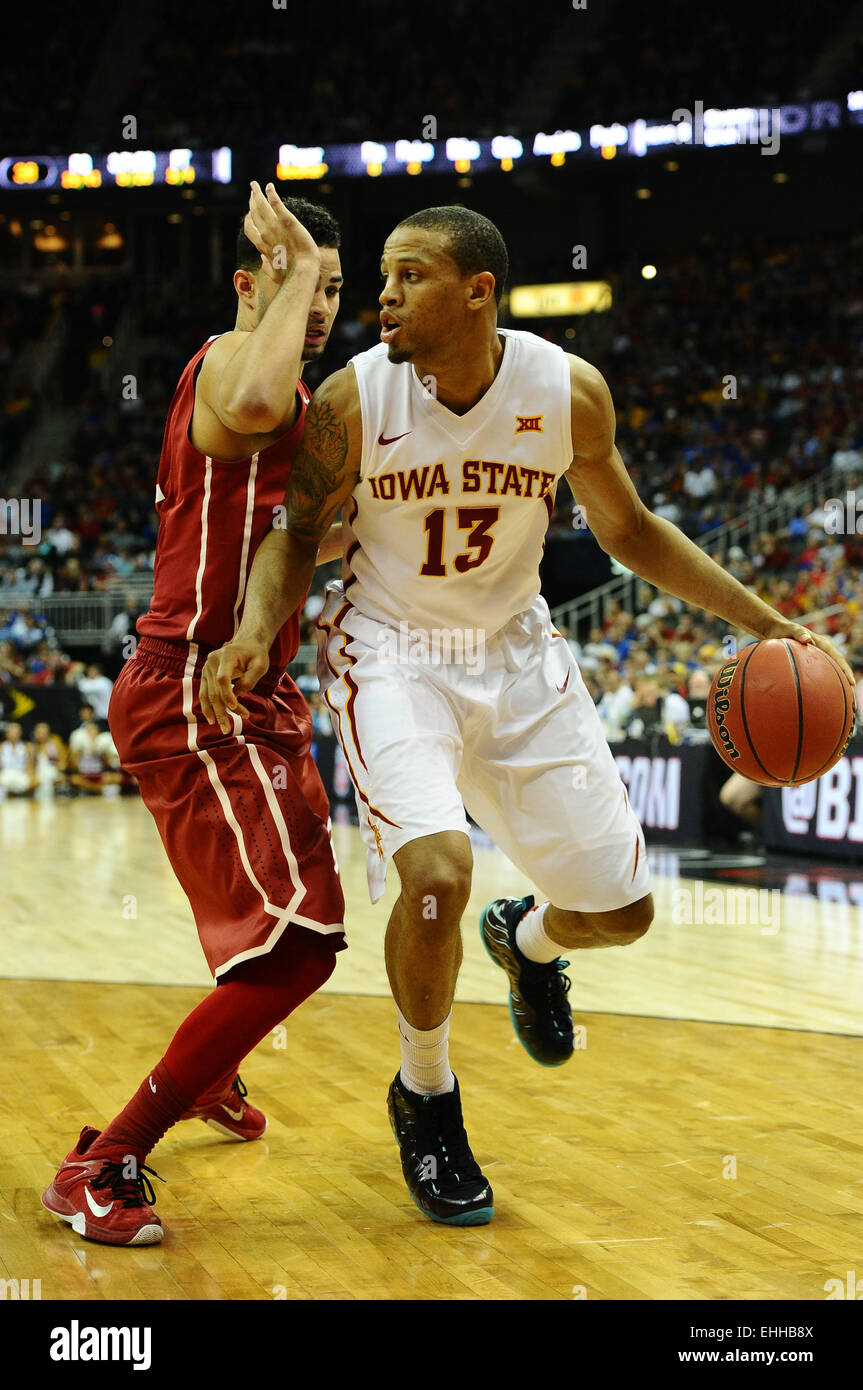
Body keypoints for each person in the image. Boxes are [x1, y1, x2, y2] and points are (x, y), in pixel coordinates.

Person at [200, 205, 855, 1228]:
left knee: (624, 913)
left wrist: (766, 620)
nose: (382, 296)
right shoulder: (351, 397)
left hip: (517, 657)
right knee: (435, 876)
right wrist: (252, 629)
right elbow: (294, 534)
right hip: (392, 654)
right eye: (382, 276)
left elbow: (630, 529)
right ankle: (425, 1092)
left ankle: (531, 942)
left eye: (409, 276)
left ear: (478, 292)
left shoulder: (564, 390)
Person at [42, 185, 347, 1248]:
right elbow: (256, 404)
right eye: (303, 282)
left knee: (277, 927)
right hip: (192, 686)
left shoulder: (290, 393)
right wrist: (291, 276)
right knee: (298, 947)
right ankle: (102, 1160)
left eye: (334, 288)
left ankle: (210, 1072)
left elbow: (301, 535)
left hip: (243, 685)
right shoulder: (232, 363)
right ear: (249, 283)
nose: (321, 305)